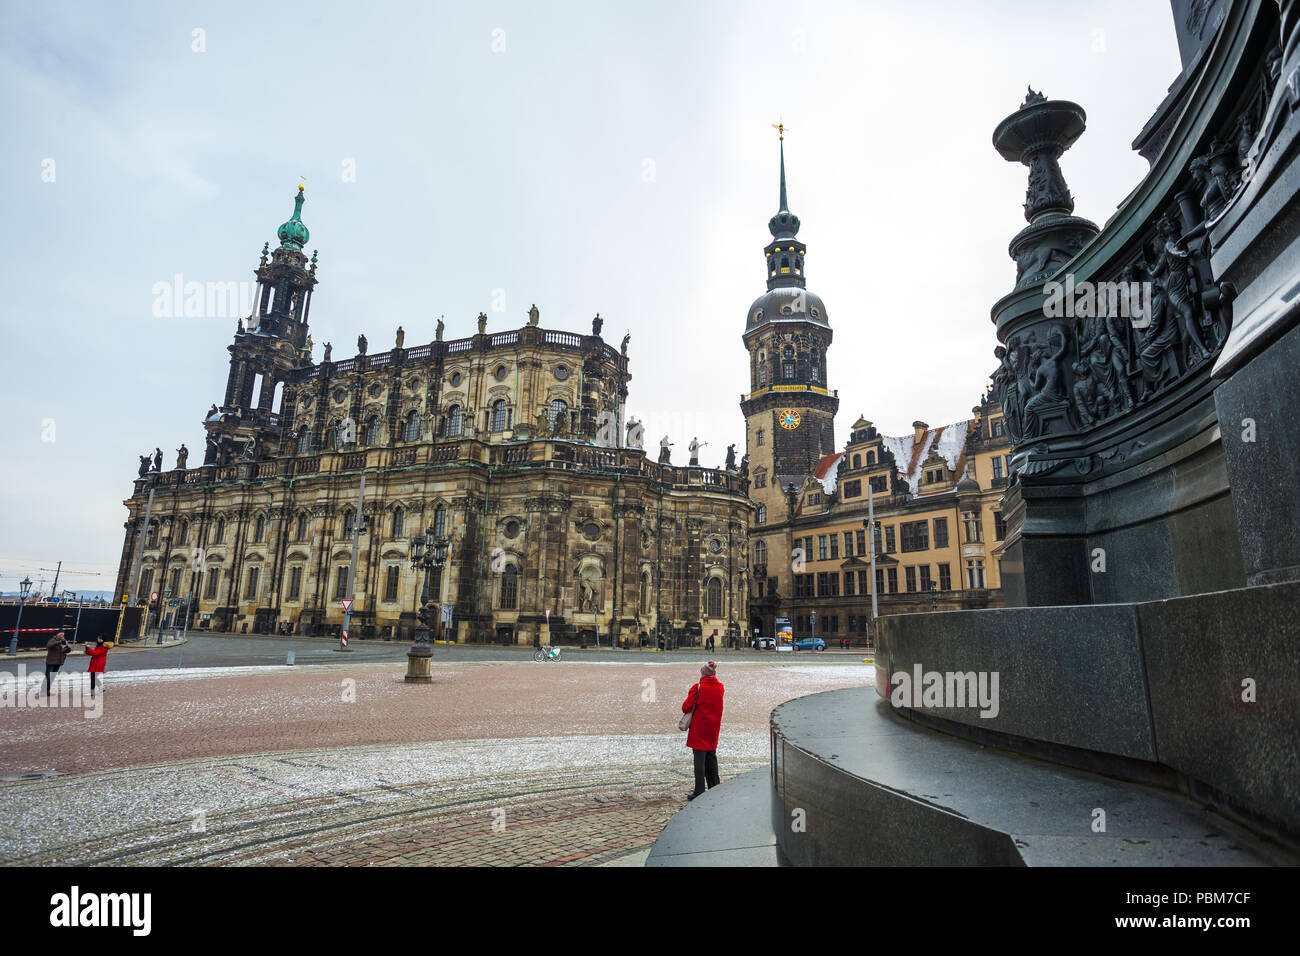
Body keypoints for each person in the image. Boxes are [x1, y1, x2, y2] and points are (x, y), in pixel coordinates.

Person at [682, 661, 724, 801]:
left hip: (699, 728)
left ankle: (699, 791)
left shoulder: (698, 687)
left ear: (703, 673)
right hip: (713, 727)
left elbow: (686, 707)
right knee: (711, 757)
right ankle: (715, 787)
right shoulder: (720, 687)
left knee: (699, 761)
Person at [44, 630, 71, 695]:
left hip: (58, 662)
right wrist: (59, 642)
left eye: (63, 634)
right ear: (57, 634)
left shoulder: (64, 641)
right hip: (51, 661)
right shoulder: (53, 639)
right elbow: (49, 646)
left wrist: (68, 648)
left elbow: (64, 650)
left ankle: (47, 691)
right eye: (61, 634)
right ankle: (44, 690)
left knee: (52, 676)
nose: (62, 636)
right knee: (48, 676)